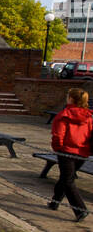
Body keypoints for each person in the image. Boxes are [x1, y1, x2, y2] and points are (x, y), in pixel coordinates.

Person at [48, 87, 92, 221]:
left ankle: (80, 209)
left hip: (66, 151)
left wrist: (58, 147)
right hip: (82, 152)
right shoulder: (89, 116)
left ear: (71, 99)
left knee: (68, 180)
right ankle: (55, 201)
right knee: (67, 177)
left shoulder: (64, 115)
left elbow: (58, 134)